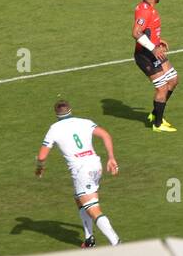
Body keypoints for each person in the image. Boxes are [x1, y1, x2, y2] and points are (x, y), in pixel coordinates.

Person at [36, 101, 121, 248]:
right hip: (95, 165)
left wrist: (40, 167)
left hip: (82, 170)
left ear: (56, 114)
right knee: (79, 198)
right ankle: (89, 239)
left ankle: (116, 243)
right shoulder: (85, 122)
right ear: (71, 110)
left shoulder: (54, 129)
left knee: (93, 209)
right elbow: (105, 135)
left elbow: (42, 156)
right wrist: (111, 157)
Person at [133, 0, 179, 132]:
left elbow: (148, 30)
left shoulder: (148, 7)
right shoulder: (145, 11)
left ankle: (155, 114)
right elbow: (136, 32)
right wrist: (153, 48)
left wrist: (158, 40)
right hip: (145, 55)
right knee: (162, 88)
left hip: (153, 50)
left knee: (173, 79)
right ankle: (157, 125)